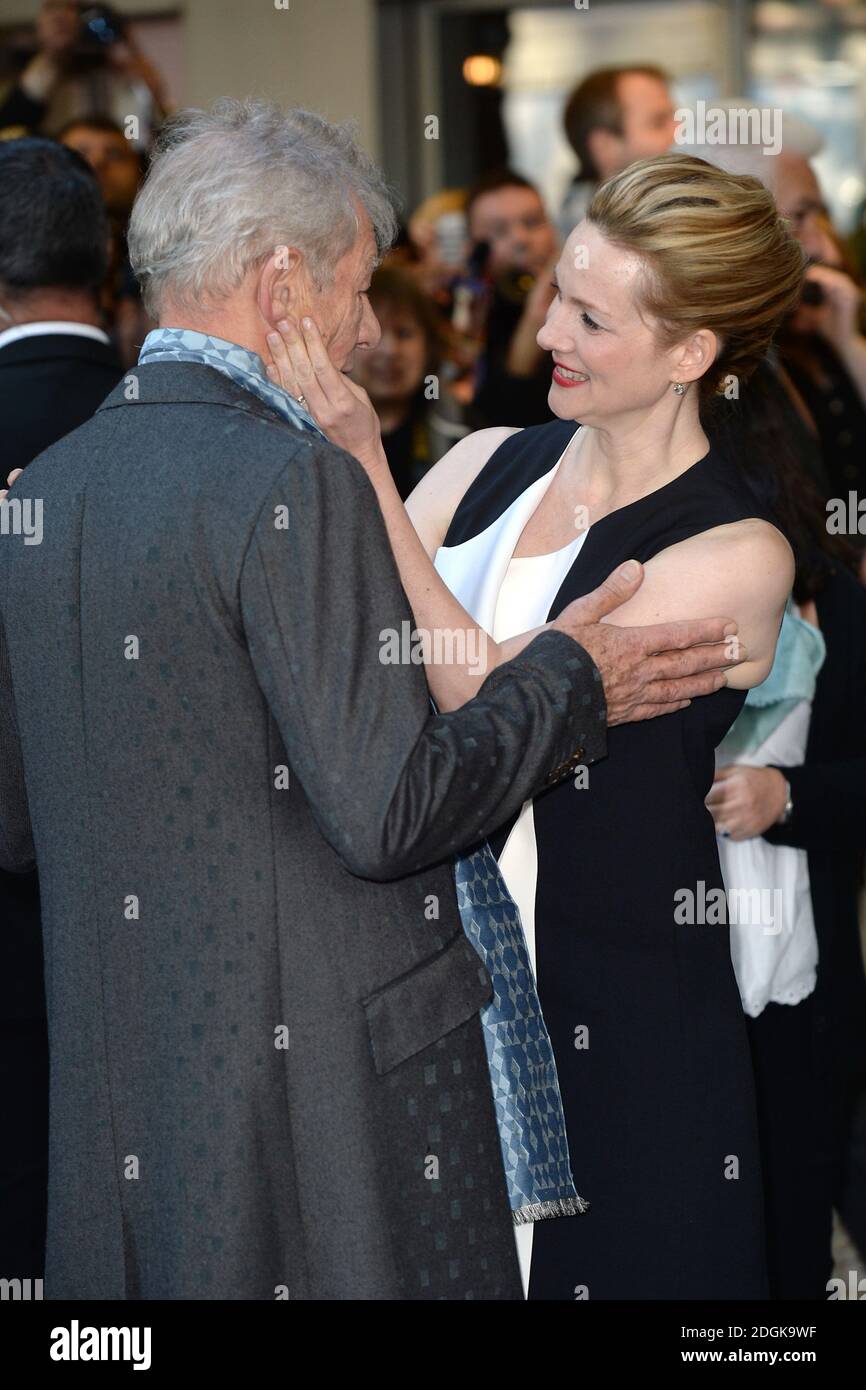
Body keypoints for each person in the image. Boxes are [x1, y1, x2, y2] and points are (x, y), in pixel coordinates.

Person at [0, 102, 740, 1301]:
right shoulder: (291, 478)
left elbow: (23, 825)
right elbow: (389, 812)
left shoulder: (53, 485)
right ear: (282, 279)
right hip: (321, 1125)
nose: (361, 330)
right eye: (353, 285)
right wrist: (568, 678)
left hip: (122, 1117)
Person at [268, 151, 803, 1299]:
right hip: (432, 993)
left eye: (591, 317)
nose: (548, 325)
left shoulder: (734, 552)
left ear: (689, 355)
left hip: (621, 1010)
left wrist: (365, 463)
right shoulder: (475, 462)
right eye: (558, 290)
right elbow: (352, 672)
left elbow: (493, 705)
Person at [706, 365, 866, 1298]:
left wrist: (787, 796)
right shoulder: (646, 597)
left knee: (791, 1224)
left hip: (804, 989)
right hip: (676, 981)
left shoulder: (838, 611)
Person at [348, 267, 468, 500]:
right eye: (376, 334)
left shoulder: (461, 434)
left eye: (404, 333)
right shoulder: (311, 435)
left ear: (429, 346)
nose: (390, 351)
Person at [466, 169, 561, 429]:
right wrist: (535, 317)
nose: (520, 239)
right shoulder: (468, 313)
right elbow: (502, 416)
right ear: (472, 247)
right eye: (499, 231)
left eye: (532, 223)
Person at [558, 65, 677, 242]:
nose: (680, 130)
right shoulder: (590, 241)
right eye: (658, 123)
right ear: (605, 147)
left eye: (676, 117)